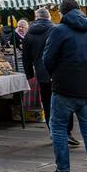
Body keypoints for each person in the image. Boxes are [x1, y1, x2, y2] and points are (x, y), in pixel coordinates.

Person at [41, 0, 87, 172]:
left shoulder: (59, 30)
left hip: (65, 88)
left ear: (62, 12)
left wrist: (55, 75)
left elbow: (47, 59)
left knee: (58, 128)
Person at [21, 7, 77, 145]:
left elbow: (25, 57)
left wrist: (29, 74)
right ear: (49, 17)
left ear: (36, 18)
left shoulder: (29, 34)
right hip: (57, 72)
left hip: (41, 73)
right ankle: (67, 131)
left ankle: (53, 130)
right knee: (64, 101)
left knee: (47, 103)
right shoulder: (56, 29)